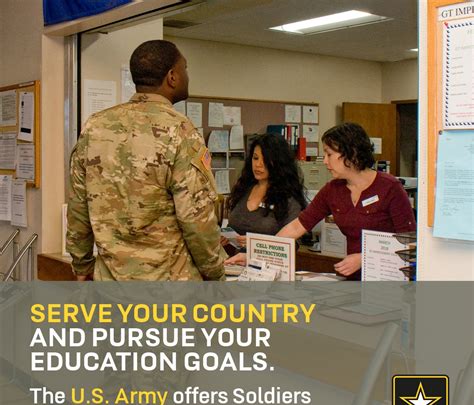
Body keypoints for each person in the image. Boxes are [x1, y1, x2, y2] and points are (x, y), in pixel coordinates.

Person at [67, 40, 225, 281]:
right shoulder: (180, 131)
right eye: (185, 68)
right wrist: (216, 274)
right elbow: (196, 220)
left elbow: (79, 206)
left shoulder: (95, 127)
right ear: (172, 77)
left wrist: (81, 265)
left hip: (110, 287)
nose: (187, 75)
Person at [226, 122, 416, 280]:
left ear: (351, 153)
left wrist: (364, 258)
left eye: (329, 154)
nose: (325, 161)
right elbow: (295, 228)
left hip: (388, 279)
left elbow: (410, 244)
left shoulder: (390, 187)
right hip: (351, 279)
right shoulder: (333, 190)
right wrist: (256, 255)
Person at [225, 133, 306, 248]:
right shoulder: (243, 189)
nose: (258, 165)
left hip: (270, 264)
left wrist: (256, 244)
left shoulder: (289, 198)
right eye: (255, 158)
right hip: (237, 262)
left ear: (278, 162)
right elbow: (232, 226)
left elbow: (292, 245)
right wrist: (226, 238)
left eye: (266, 159)